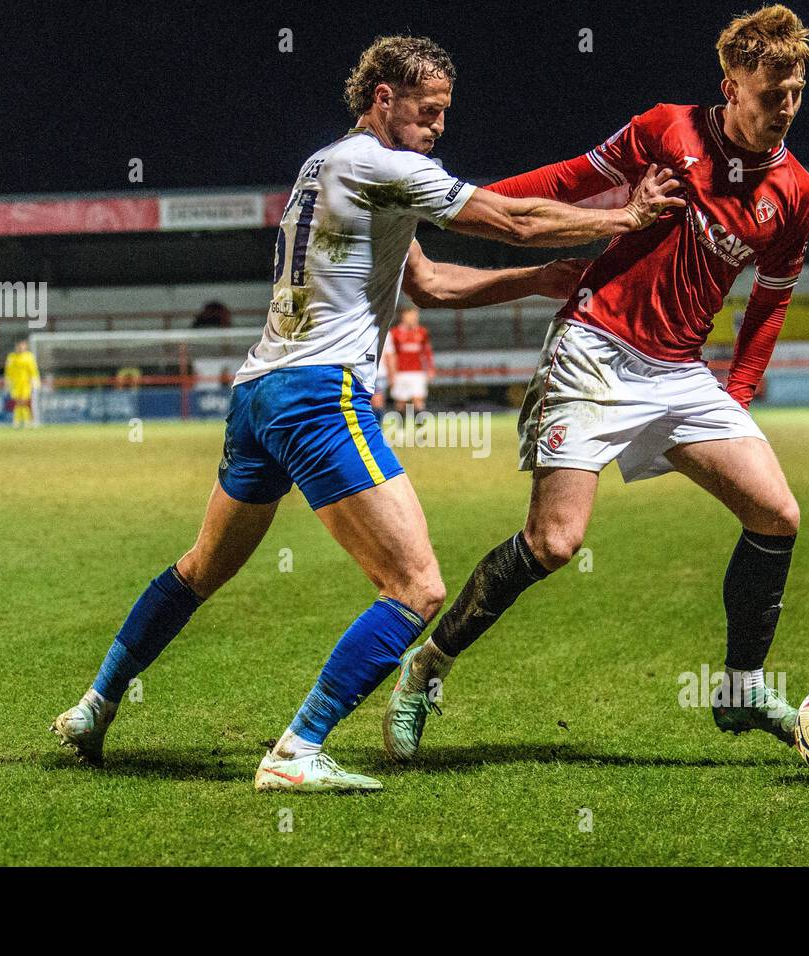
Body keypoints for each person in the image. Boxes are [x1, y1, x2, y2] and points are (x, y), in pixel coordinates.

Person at [51, 34, 680, 792]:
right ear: (383, 98)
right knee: (417, 587)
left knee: (198, 570)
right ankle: (296, 750)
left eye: (447, 112)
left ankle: (94, 706)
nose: (440, 125)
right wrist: (625, 217)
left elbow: (430, 285)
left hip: (258, 396)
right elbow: (504, 218)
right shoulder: (386, 165)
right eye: (428, 109)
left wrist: (536, 280)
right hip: (318, 395)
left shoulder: (326, 165)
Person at [383, 4, 809, 761]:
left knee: (777, 513)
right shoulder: (668, 131)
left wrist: (737, 396)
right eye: (768, 94)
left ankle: (742, 687)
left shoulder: (798, 194)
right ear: (730, 86)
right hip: (594, 350)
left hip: (681, 373)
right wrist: (458, 207)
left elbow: (772, 301)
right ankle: (426, 669)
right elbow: (572, 179)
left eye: (795, 92)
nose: (784, 109)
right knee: (554, 543)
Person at [384, 305, 435, 412]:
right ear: (403, 316)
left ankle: (420, 427)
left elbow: (427, 352)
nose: (414, 318)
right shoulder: (394, 333)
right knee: (400, 403)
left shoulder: (422, 332)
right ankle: (400, 427)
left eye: (415, 315)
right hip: (400, 373)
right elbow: (390, 355)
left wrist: (430, 369)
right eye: (411, 315)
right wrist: (391, 374)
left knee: (418, 400)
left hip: (417, 372)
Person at [4, 339, 41, 428]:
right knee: (17, 403)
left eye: (22, 345)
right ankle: (17, 421)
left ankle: (26, 421)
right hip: (15, 383)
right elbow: (8, 370)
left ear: (25, 346)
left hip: (26, 383)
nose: (20, 347)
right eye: (19, 345)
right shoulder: (11, 357)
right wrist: (7, 381)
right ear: (16, 346)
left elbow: (33, 370)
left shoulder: (29, 356)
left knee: (24, 402)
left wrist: (35, 380)